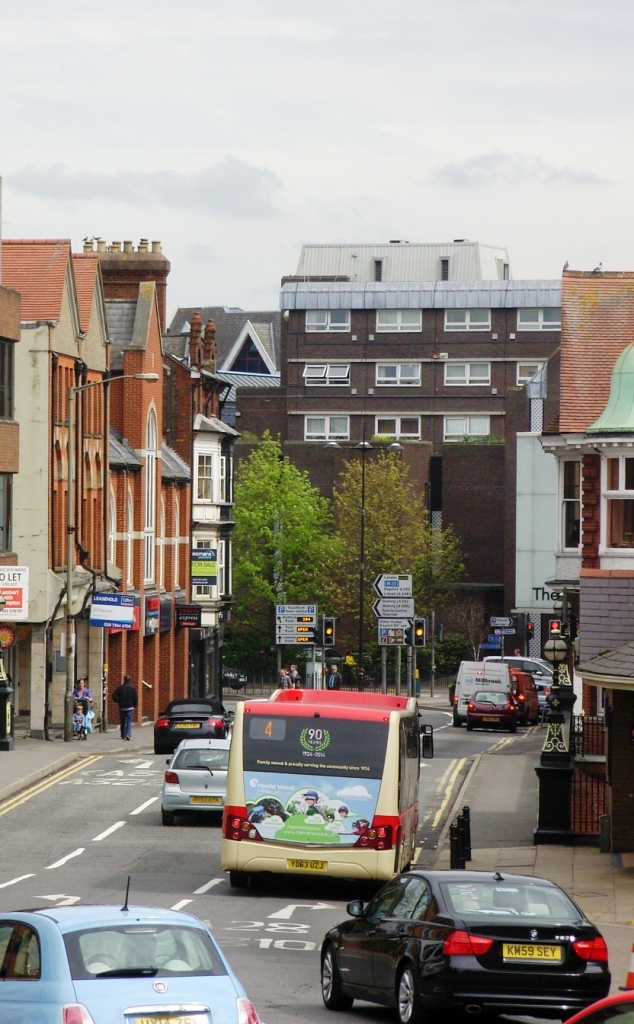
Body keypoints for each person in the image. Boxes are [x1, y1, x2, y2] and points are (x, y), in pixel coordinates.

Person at [112, 674, 138, 740]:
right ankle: (128, 735)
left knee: (123, 721)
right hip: (130, 707)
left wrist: (118, 701)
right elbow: (135, 698)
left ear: (124, 679)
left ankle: (123, 734)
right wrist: (134, 705)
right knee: (129, 722)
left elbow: (114, 695)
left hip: (122, 708)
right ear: (130, 680)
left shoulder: (120, 688)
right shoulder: (132, 688)